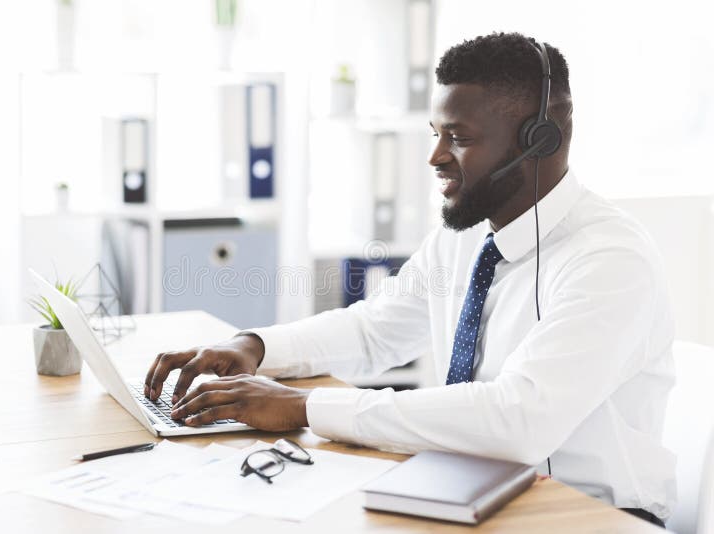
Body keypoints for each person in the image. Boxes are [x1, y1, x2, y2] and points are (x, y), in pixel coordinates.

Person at [144, 32, 674, 526]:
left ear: (538, 142)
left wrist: (304, 407)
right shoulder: (468, 231)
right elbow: (376, 330)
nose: (435, 156)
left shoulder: (609, 259)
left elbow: (519, 419)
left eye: (458, 138)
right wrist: (255, 347)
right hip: (475, 491)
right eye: (436, 133)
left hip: (590, 516)